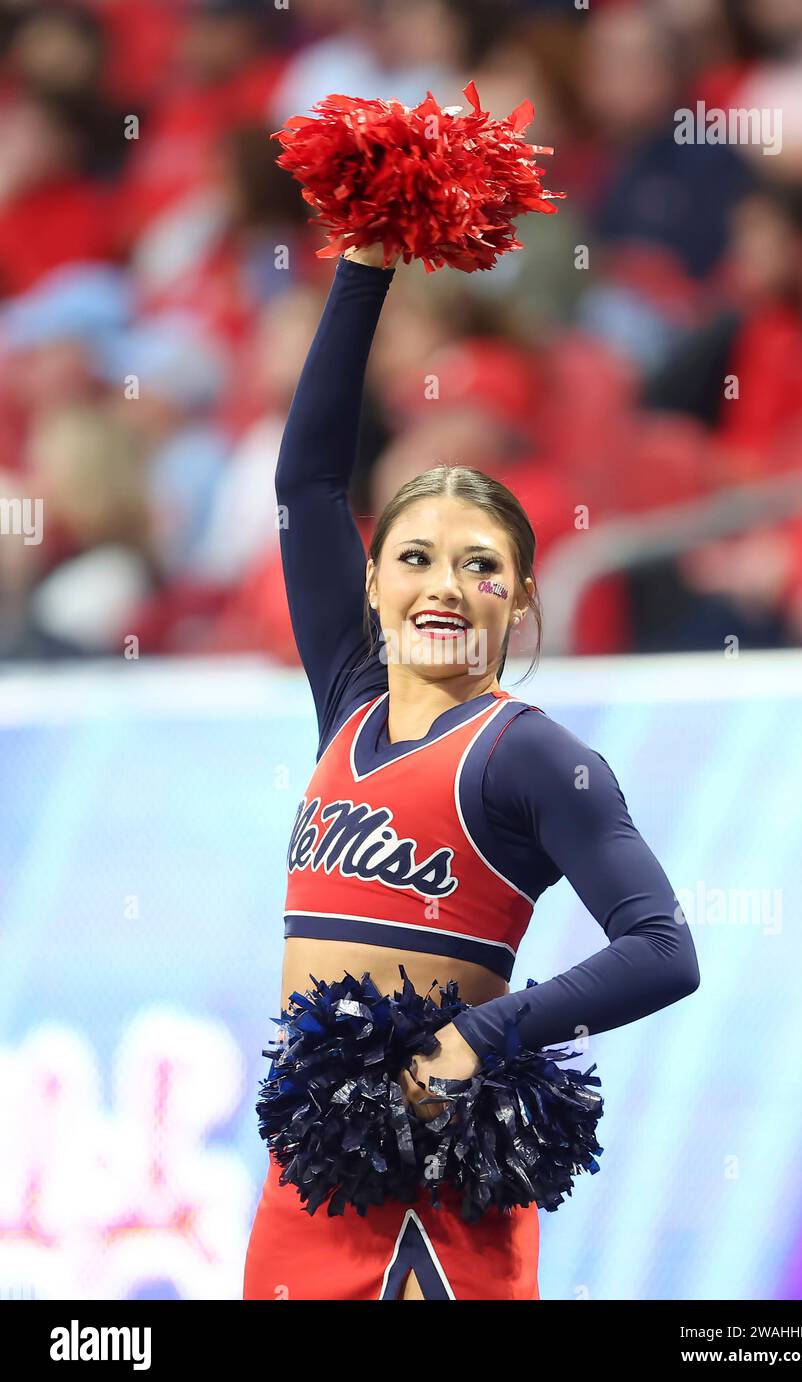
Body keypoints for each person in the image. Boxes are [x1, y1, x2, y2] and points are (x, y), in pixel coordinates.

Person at [242, 241, 700, 1301]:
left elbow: (662, 950)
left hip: (434, 1176)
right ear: (371, 577)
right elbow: (306, 478)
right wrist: (363, 266)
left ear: (519, 603)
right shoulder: (348, 697)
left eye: (478, 565)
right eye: (415, 557)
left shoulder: (527, 751)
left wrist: (479, 1034)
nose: (443, 586)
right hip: (306, 1170)